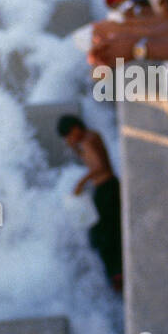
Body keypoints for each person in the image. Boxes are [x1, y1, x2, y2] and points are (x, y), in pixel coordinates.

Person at [58, 115, 122, 291]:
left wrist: (81, 182)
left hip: (105, 188)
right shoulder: (92, 137)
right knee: (107, 232)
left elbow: (99, 167)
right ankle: (116, 273)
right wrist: (75, 149)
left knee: (102, 235)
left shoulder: (87, 140)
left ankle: (116, 274)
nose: (69, 139)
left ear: (75, 128)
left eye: (69, 135)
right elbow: (93, 160)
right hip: (107, 187)